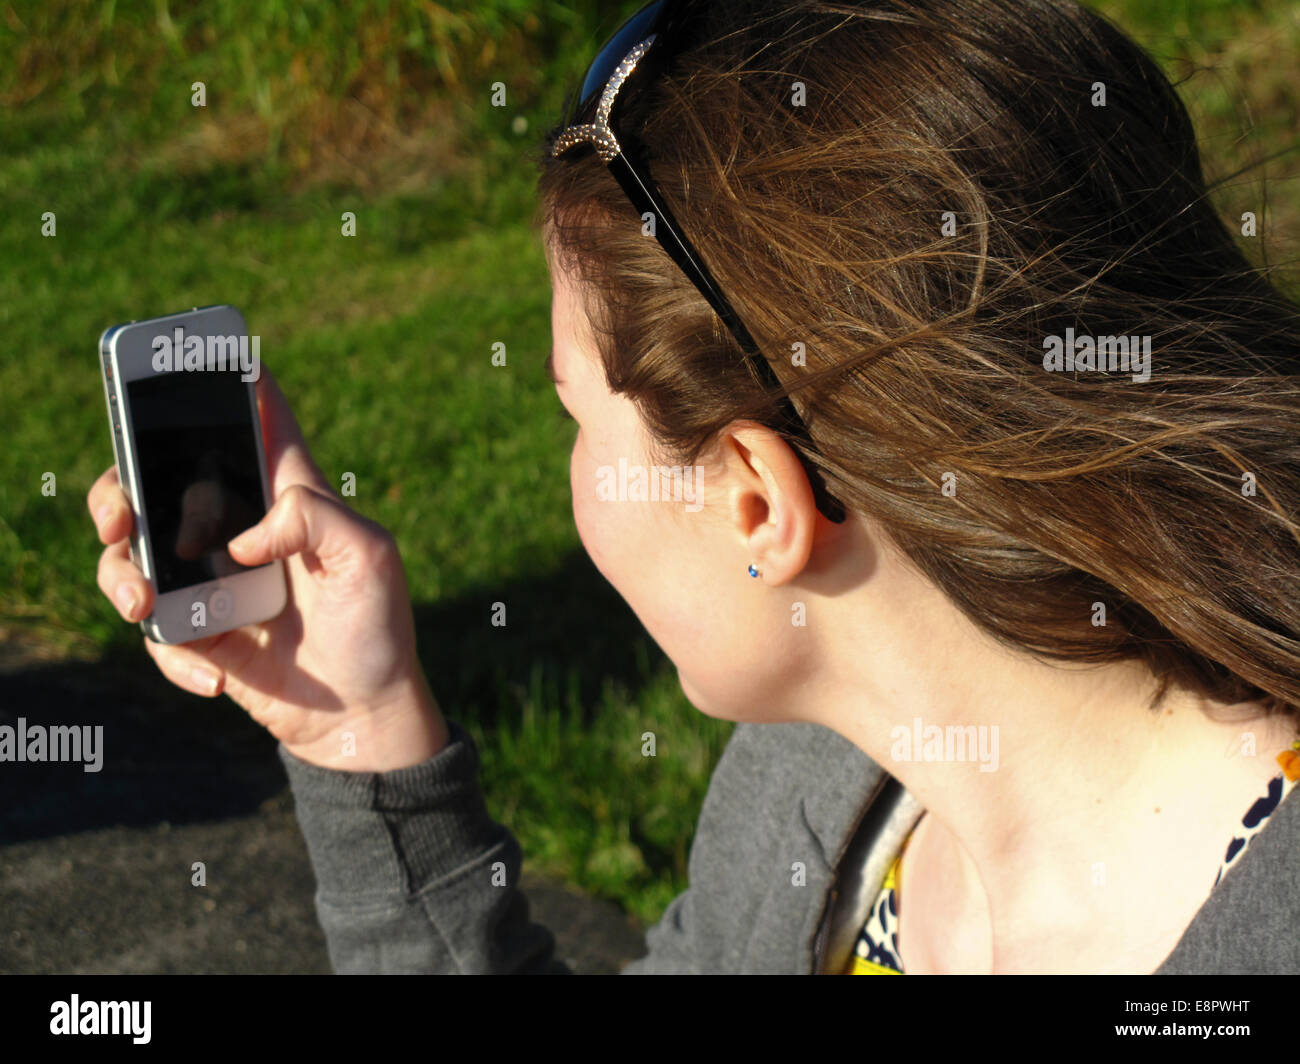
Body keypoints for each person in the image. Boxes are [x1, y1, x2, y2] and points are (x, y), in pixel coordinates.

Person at [87, 0, 1300, 974]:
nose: (567, 460)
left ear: (751, 500)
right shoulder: (839, 790)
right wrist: (362, 727)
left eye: (573, 414)